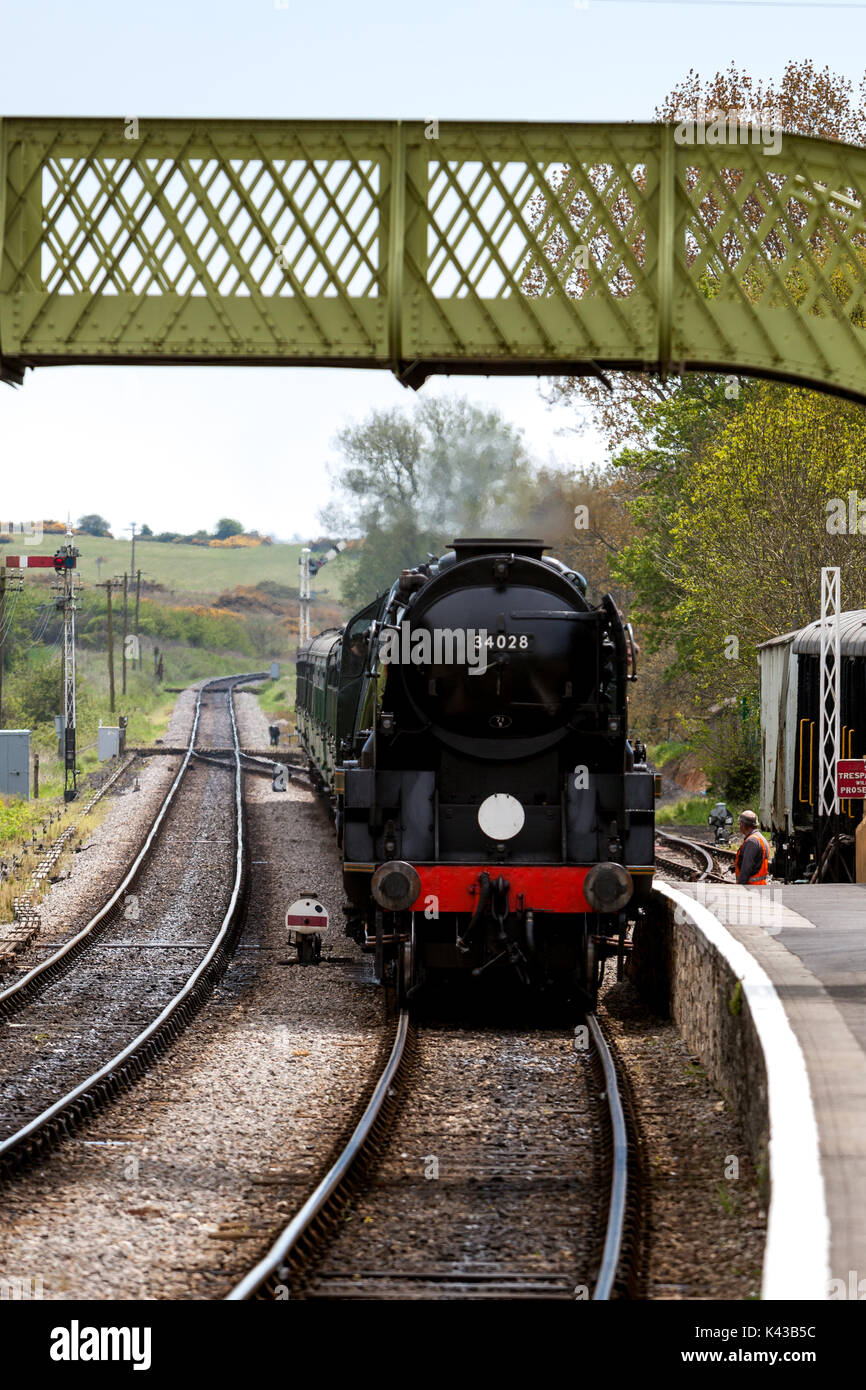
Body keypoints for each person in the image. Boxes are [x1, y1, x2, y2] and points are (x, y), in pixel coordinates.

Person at [734, 810, 769, 885]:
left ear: (743, 824)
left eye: (739, 824)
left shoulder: (752, 841)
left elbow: (747, 867)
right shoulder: (760, 838)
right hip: (759, 885)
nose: (739, 826)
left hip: (751, 887)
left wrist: (739, 886)